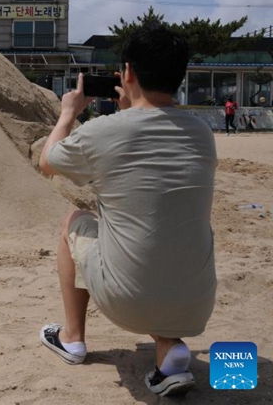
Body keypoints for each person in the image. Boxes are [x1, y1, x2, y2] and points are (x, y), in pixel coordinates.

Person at [37, 23, 217, 397]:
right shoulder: (202, 133)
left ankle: (72, 338)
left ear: (128, 73)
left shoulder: (105, 130)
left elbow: (47, 162)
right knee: (164, 241)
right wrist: (130, 110)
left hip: (127, 301)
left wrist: (68, 114)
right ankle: (170, 350)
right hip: (196, 302)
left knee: (76, 221)